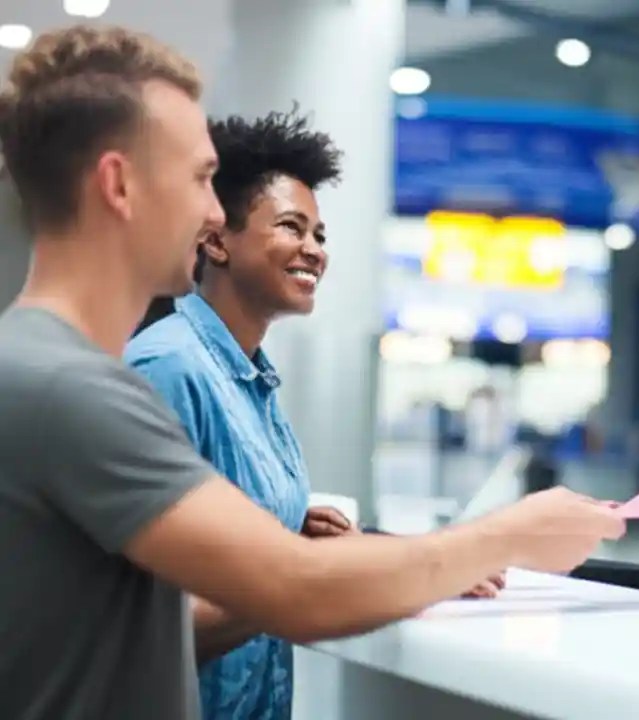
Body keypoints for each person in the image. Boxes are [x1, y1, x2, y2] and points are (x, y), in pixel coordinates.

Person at [0, 25, 624, 720]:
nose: (213, 210)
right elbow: (296, 590)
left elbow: (139, 617)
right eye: (202, 179)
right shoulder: (73, 389)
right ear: (119, 184)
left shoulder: (43, 368)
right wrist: (506, 535)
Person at [125, 110, 501, 720]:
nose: (314, 251)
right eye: (291, 227)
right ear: (216, 239)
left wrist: (317, 549)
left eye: (320, 235)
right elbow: (141, 625)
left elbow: (232, 555)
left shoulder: (252, 380)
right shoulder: (167, 370)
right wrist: (363, 574)